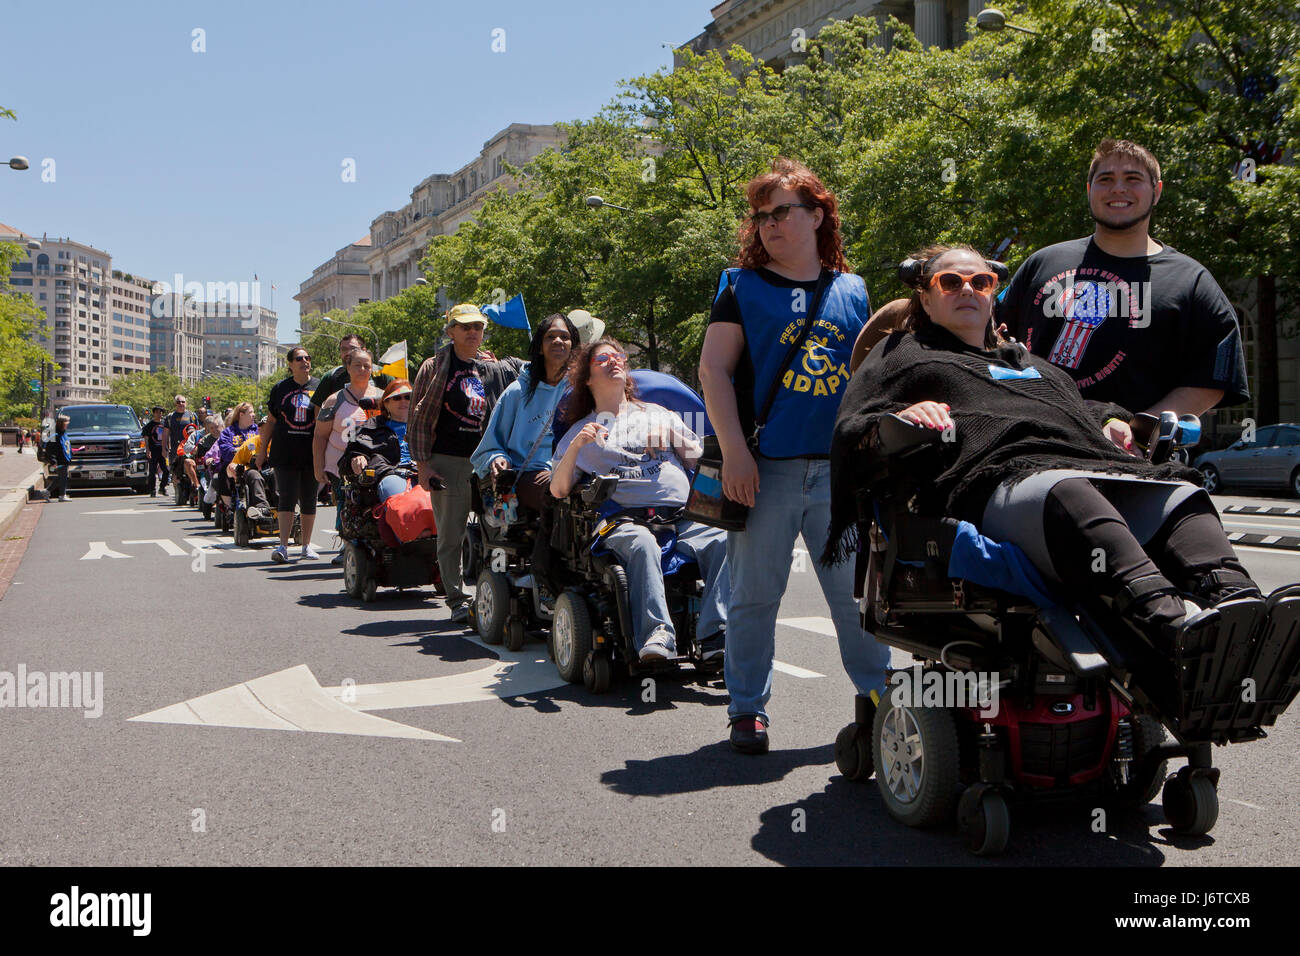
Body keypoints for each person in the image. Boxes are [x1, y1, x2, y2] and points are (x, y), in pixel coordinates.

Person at [825, 244, 1263, 669]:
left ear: (992, 291)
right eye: (950, 281)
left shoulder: (1029, 364)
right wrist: (902, 414)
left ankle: (1242, 612)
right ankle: (1171, 624)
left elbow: (1079, 408)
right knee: (1069, 490)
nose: (967, 289)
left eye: (980, 281)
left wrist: (1113, 418)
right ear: (925, 295)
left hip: (1078, 470)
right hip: (997, 482)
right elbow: (854, 424)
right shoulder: (904, 354)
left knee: (1178, 494)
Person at [697, 157, 892, 755]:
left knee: (856, 597)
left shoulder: (853, 290)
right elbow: (714, 371)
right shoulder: (739, 286)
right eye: (761, 216)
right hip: (765, 469)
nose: (769, 225)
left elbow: (872, 375)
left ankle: (879, 705)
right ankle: (747, 711)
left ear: (818, 214)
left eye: (782, 212)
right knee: (755, 596)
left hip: (839, 474)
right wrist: (734, 452)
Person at [552, 338, 729, 663]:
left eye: (618, 356)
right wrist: (576, 446)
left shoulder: (659, 414)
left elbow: (701, 462)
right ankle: (656, 636)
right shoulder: (583, 429)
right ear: (587, 378)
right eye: (602, 358)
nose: (614, 361)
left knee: (723, 539)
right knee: (643, 543)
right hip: (625, 521)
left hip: (680, 516)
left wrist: (674, 437)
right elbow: (559, 489)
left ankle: (714, 635)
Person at [409, 303, 526, 623]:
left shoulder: (495, 367)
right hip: (448, 462)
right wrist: (423, 466)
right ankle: (458, 599)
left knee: (503, 526)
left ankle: (499, 592)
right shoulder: (434, 367)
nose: (473, 332)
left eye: (478, 327)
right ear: (451, 332)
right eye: (465, 327)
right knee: (451, 535)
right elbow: (417, 420)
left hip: (491, 462)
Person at [472, 313, 579, 513]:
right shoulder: (516, 392)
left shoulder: (582, 390)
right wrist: (496, 459)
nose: (558, 341)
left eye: (564, 337)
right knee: (556, 494)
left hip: (577, 470)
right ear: (539, 346)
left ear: (573, 346)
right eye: (550, 336)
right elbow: (489, 447)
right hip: (532, 474)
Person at [315, 347, 383, 562]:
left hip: (377, 463)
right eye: (357, 365)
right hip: (340, 465)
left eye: (367, 366)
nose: (362, 369)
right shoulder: (334, 401)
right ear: (348, 368)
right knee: (346, 503)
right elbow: (319, 435)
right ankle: (347, 546)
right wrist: (318, 467)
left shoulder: (384, 397)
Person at [258, 345, 321, 565]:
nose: (305, 361)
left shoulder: (320, 386)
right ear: (291, 364)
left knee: (309, 499)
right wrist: (260, 452)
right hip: (285, 451)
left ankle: (306, 545)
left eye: (308, 357)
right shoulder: (280, 388)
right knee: (286, 497)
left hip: (312, 451)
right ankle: (283, 546)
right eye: (300, 358)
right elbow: (271, 421)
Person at [340, 379, 419, 502]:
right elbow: (347, 459)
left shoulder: (426, 424)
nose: (403, 401)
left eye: (408, 397)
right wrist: (356, 458)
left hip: (424, 473)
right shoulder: (369, 427)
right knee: (404, 504)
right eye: (397, 398)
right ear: (386, 403)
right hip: (390, 475)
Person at [310, 333, 395, 411]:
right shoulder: (331, 376)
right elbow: (318, 410)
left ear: (364, 350)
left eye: (353, 348)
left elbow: (397, 401)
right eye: (344, 349)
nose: (348, 353)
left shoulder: (381, 373)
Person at [228, 425, 276, 521]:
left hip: (272, 472)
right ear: (259, 430)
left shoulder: (280, 444)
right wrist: (232, 467)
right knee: (254, 475)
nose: (266, 433)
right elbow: (234, 463)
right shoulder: (250, 444)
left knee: (277, 474)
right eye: (263, 430)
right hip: (253, 473)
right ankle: (261, 507)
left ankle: (283, 505)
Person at [217, 403, 259, 513]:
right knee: (222, 472)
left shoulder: (257, 430)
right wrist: (241, 451)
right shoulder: (228, 432)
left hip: (255, 463)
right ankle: (229, 506)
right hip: (235, 464)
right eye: (250, 412)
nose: (253, 415)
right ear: (241, 415)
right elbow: (225, 450)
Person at [162, 395, 198, 486]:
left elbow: (197, 433)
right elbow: (165, 434)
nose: (181, 404)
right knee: (175, 471)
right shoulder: (170, 417)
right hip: (175, 449)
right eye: (178, 402)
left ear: (186, 403)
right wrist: (164, 448)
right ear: (175, 404)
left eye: (183, 402)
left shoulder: (192, 416)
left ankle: (192, 489)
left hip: (189, 448)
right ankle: (178, 494)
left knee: (190, 468)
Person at [140, 405, 169, 496]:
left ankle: (162, 487)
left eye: (160, 412)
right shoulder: (149, 425)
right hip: (153, 450)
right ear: (154, 413)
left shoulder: (165, 424)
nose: (159, 414)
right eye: (157, 412)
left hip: (162, 450)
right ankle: (152, 490)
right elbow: (146, 438)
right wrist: (147, 450)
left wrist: (168, 448)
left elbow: (168, 436)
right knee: (152, 471)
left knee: (166, 470)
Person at [45, 415, 72, 501]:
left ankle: (47, 492)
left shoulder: (63, 433)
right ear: (62, 424)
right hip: (60, 460)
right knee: (62, 477)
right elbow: (50, 449)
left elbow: (66, 445)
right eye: (66, 422)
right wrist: (53, 460)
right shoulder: (55, 435)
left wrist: (71, 453)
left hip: (65, 459)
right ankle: (62, 495)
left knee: (61, 477)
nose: (68, 424)